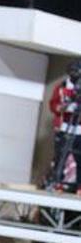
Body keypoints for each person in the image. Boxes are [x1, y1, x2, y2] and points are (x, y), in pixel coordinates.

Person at [47, 59, 81, 193]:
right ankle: (56, 183)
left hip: (79, 129)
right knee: (60, 156)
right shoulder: (61, 87)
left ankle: (79, 186)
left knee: (80, 159)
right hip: (64, 127)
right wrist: (62, 107)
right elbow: (53, 104)